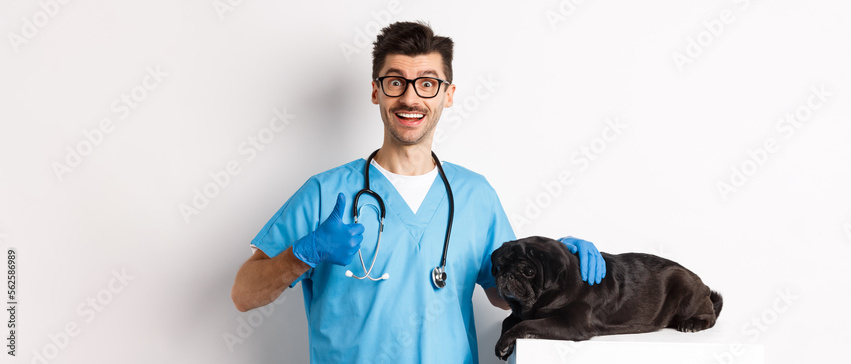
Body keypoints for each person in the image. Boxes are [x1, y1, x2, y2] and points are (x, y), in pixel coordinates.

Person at [230, 21, 606, 363]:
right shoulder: (325, 193)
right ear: (376, 91)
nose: (410, 99)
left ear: (448, 94)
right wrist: (303, 253)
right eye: (396, 82)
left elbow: (503, 297)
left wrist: (557, 262)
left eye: (427, 83)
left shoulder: (475, 196)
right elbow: (244, 295)